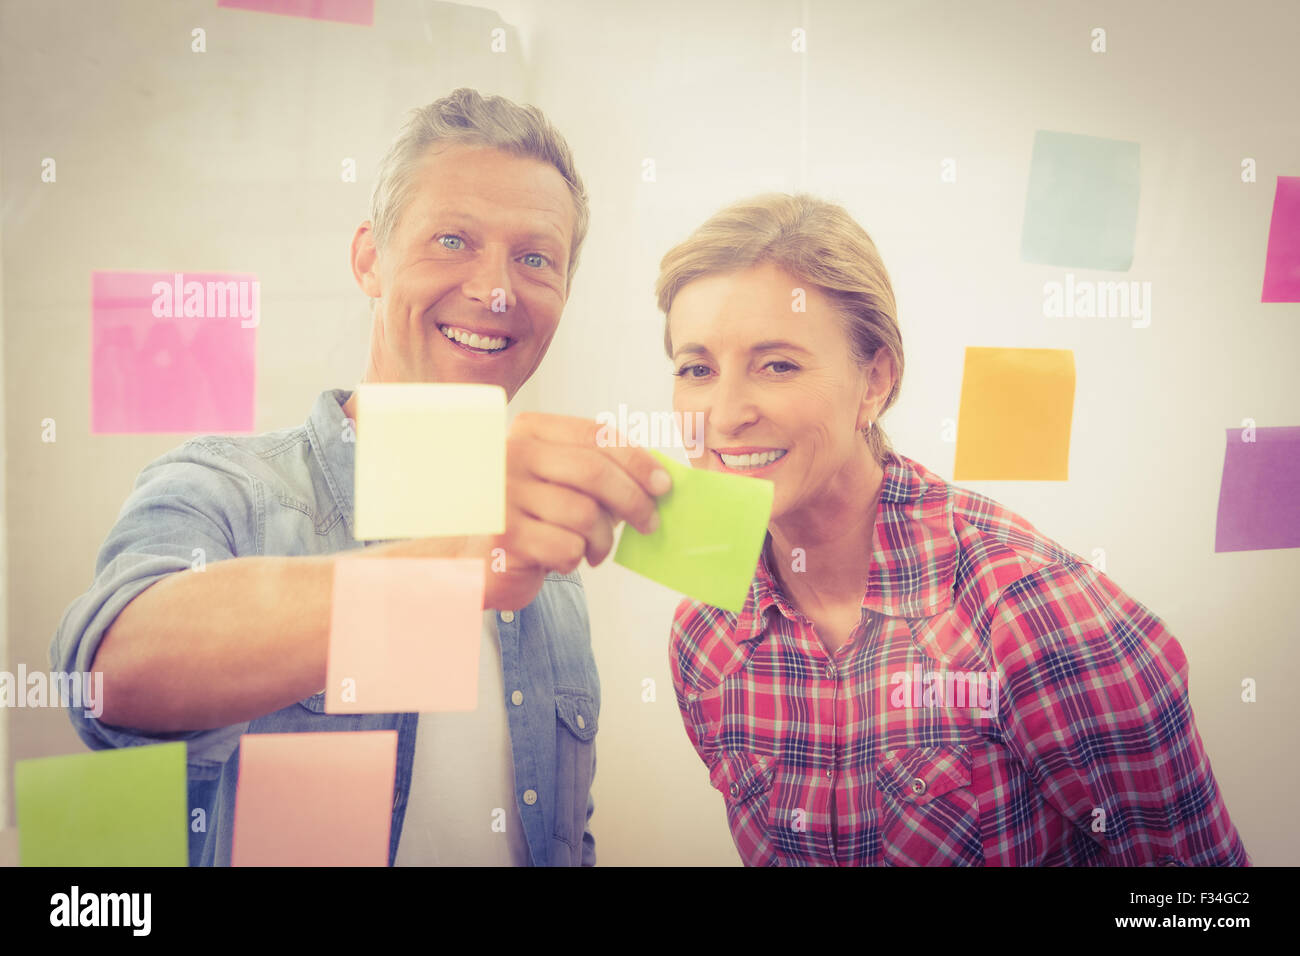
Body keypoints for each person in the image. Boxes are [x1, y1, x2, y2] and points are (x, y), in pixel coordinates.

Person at [50, 88, 670, 867]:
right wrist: (459, 564)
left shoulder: (556, 575)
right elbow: (110, 678)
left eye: (535, 258)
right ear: (369, 258)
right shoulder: (232, 486)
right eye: (451, 240)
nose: (497, 289)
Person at [659, 193, 1249, 866]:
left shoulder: (1035, 612)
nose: (726, 413)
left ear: (874, 382)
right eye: (697, 369)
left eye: (778, 364)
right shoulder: (703, 634)